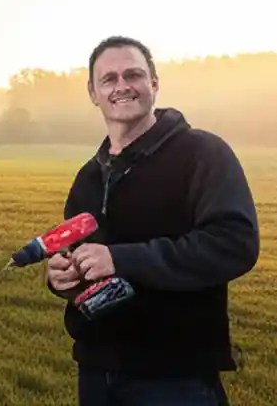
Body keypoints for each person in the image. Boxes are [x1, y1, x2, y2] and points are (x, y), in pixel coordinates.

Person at [46, 36, 260, 406]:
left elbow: (234, 244)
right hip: (96, 370)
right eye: (108, 79)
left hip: (175, 378)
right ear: (93, 93)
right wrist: (61, 278)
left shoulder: (202, 154)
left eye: (134, 74)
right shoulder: (89, 177)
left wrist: (121, 259)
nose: (122, 86)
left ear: (154, 84)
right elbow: (80, 259)